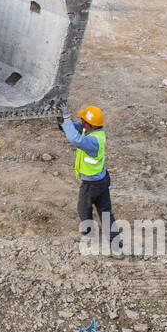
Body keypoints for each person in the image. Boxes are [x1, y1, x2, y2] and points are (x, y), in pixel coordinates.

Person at [59, 102, 118, 253]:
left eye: (83, 120)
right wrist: (64, 122)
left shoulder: (92, 141)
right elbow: (75, 128)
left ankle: (90, 235)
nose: (81, 121)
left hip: (92, 184)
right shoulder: (95, 132)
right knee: (105, 211)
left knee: (83, 209)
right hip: (102, 179)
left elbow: (76, 140)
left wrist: (66, 119)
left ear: (89, 124)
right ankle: (116, 244)